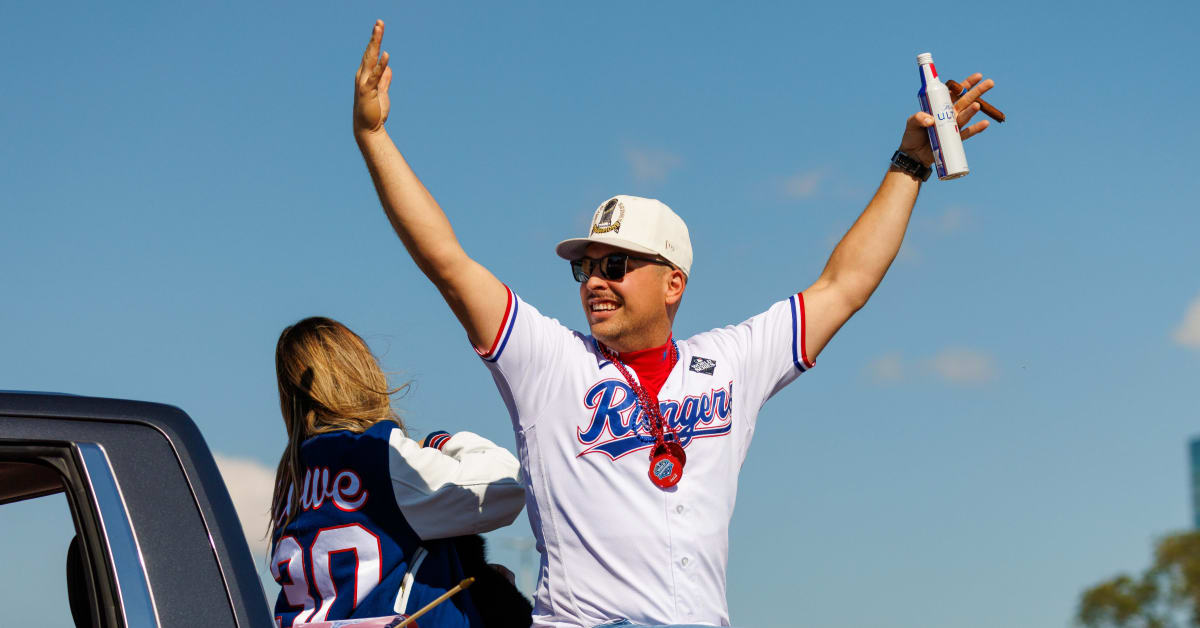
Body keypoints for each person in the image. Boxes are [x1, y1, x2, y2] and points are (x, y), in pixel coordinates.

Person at [351, 19, 996, 628]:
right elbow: (449, 263)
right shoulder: (548, 361)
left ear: (672, 283)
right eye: (587, 267)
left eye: (617, 263)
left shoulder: (732, 360)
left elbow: (844, 285)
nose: (595, 279)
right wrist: (375, 140)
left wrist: (910, 165)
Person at [268, 316, 527, 627]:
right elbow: (506, 487)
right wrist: (440, 442)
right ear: (360, 370)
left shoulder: (289, 482)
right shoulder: (376, 454)